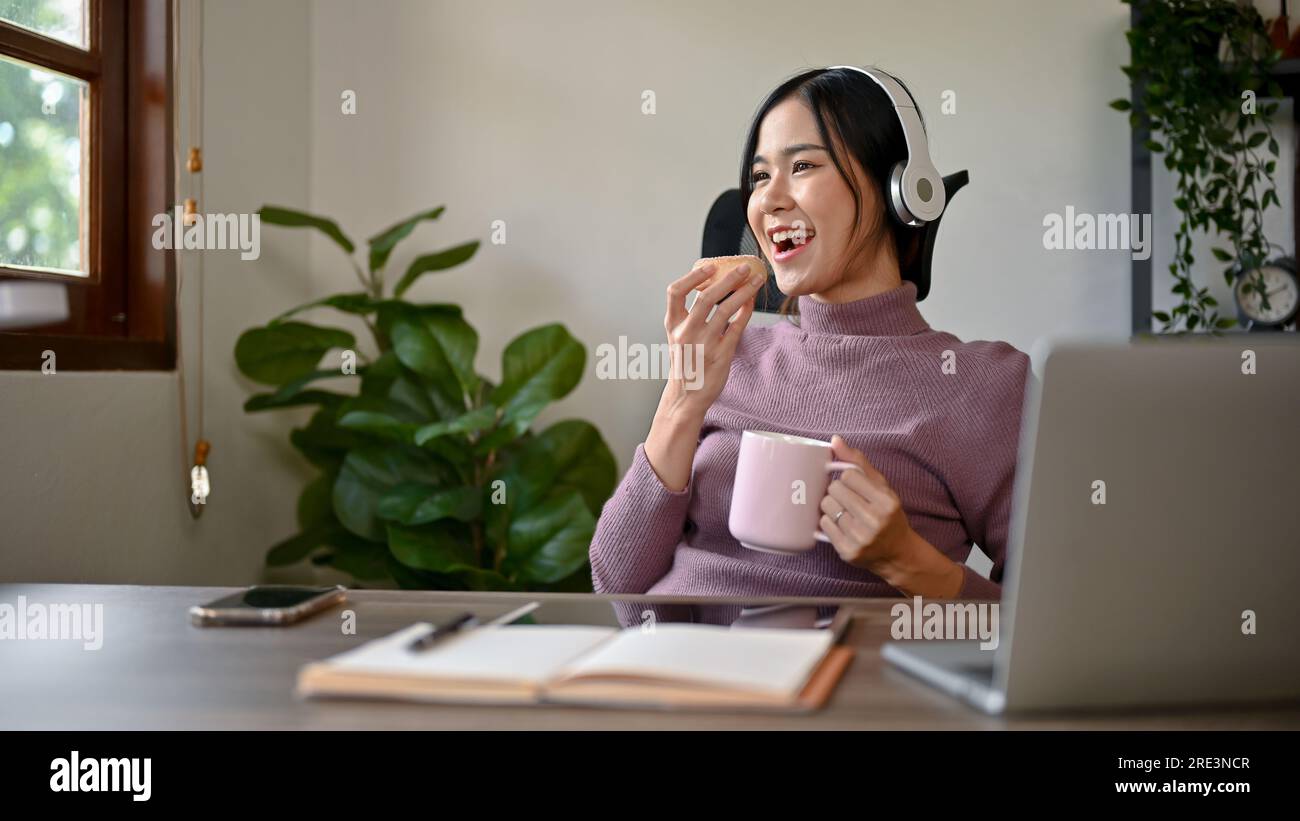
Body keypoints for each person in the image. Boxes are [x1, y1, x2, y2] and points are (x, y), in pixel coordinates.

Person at [589, 67, 1032, 626]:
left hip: (848, 677)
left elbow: (1045, 630)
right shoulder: (726, 357)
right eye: (759, 176)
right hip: (680, 671)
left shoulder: (984, 386)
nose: (769, 200)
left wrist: (909, 563)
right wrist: (682, 398)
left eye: (802, 166)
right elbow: (621, 586)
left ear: (900, 190)